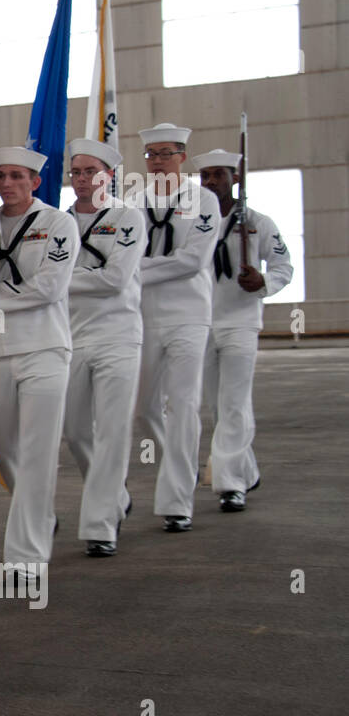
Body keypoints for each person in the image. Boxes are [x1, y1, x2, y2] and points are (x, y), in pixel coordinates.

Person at [0, 147, 78, 577]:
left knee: (39, 450)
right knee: (5, 450)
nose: (6, 184)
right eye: (1, 176)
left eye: (17, 177)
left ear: (35, 182)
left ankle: (27, 554)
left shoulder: (58, 224)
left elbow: (49, 288)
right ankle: (39, 515)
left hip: (44, 348)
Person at [194, 148, 293, 512]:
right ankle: (246, 471)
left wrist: (264, 281)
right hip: (200, 323)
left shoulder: (256, 222)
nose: (210, 182)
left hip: (241, 322)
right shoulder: (192, 221)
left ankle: (230, 484)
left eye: (218, 174)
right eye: (204, 176)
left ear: (235, 178)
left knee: (234, 403)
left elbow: (283, 265)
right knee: (218, 408)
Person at [133, 123, 219, 532]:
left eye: (166, 153)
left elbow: (194, 260)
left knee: (184, 405)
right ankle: (180, 463)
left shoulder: (203, 200)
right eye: (151, 154)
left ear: (182, 156)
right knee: (145, 406)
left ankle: (176, 500)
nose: (158, 161)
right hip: (143, 314)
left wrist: (136, 271)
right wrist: (134, 273)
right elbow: (124, 256)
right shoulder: (132, 201)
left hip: (189, 314)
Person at [61, 138, 144, 557]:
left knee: (112, 430)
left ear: (108, 175)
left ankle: (100, 525)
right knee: (75, 431)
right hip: (70, 337)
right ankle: (114, 495)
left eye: (91, 171)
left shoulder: (128, 217)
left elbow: (115, 280)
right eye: (75, 171)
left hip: (118, 336)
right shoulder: (57, 221)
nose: (81, 179)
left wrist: (56, 281)